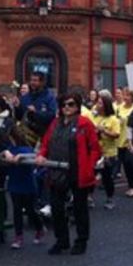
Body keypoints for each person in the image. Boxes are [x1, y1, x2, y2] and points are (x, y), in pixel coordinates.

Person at [35, 93, 100, 255]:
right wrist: (41, 155)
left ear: (77, 106)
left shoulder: (85, 123)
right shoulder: (55, 123)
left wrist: (89, 165)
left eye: (71, 104)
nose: (67, 107)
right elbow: (46, 143)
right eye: (64, 104)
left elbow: (95, 148)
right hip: (56, 170)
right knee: (56, 208)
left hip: (78, 171)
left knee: (79, 208)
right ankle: (62, 240)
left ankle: (81, 240)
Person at [0, 125, 44, 249]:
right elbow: (2, 154)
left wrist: (20, 156)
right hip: (15, 183)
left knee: (30, 210)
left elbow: (33, 156)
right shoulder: (10, 149)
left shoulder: (26, 149)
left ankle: (39, 228)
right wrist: (5, 152)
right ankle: (18, 236)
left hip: (27, 184)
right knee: (17, 210)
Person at [93, 95, 122, 210]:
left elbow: (116, 134)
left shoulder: (113, 119)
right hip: (95, 152)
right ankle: (89, 197)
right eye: (97, 103)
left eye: (100, 103)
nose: (97, 105)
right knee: (91, 174)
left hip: (108, 153)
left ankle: (110, 198)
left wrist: (104, 130)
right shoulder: (95, 117)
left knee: (107, 177)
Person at [18, 72, 57, 138]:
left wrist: (36, 112)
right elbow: (19, 116)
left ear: (42, 82)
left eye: (35, 80)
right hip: (26, 133)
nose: (32, 83)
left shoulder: (49, 97)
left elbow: (52, 115)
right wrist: (17, 106)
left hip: (43, 133)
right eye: (31, 80)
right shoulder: (25, 97)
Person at [115, 87, 133, 198]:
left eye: (128, 95)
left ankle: (132, 187)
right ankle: (130, 183)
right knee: (124, 163)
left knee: (129, 163)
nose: (125, 97)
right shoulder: (119, 108)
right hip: (119, 140)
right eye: (124, 95)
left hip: (131, 141)